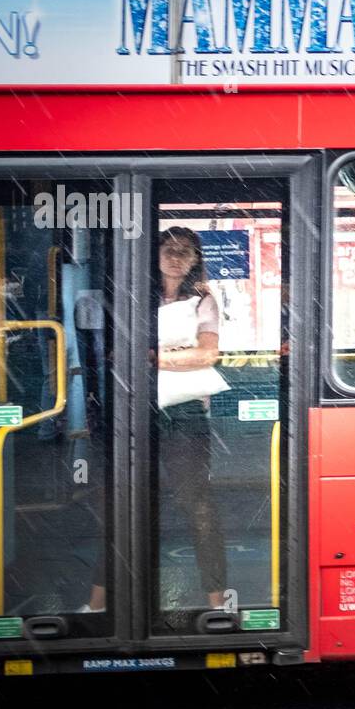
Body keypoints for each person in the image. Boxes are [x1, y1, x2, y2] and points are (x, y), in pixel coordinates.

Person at [80, 227, 228, 613]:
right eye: (169, 249)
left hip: (184, 413)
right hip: (132, 409)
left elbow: (208, 356)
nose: (176, 257)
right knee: (118, 506)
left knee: (199, 508)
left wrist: (151, 358)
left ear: (196, 260)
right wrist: (178, 353)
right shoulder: (132, 294)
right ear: (155, 253)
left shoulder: (202, 300)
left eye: (186, 251)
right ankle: (98, 603)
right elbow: (116, 355)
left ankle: (219, 604)